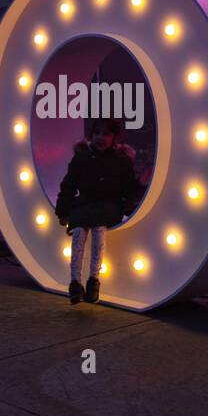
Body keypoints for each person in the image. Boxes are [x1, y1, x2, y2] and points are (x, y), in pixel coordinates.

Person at [54, 118, 147, 305]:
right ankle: (74, 282)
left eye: (106, 134)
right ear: (91, 135)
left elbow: (128, 188)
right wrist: (62, 211)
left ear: (114, 137)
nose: (100, 138)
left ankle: (94, 280)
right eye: (97, 133)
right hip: (85, 204)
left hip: (108, 207)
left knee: (99, 231)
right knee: (79, 232)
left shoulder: (121, 161)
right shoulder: (81, 158)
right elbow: (68, 185)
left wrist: (140, 191)